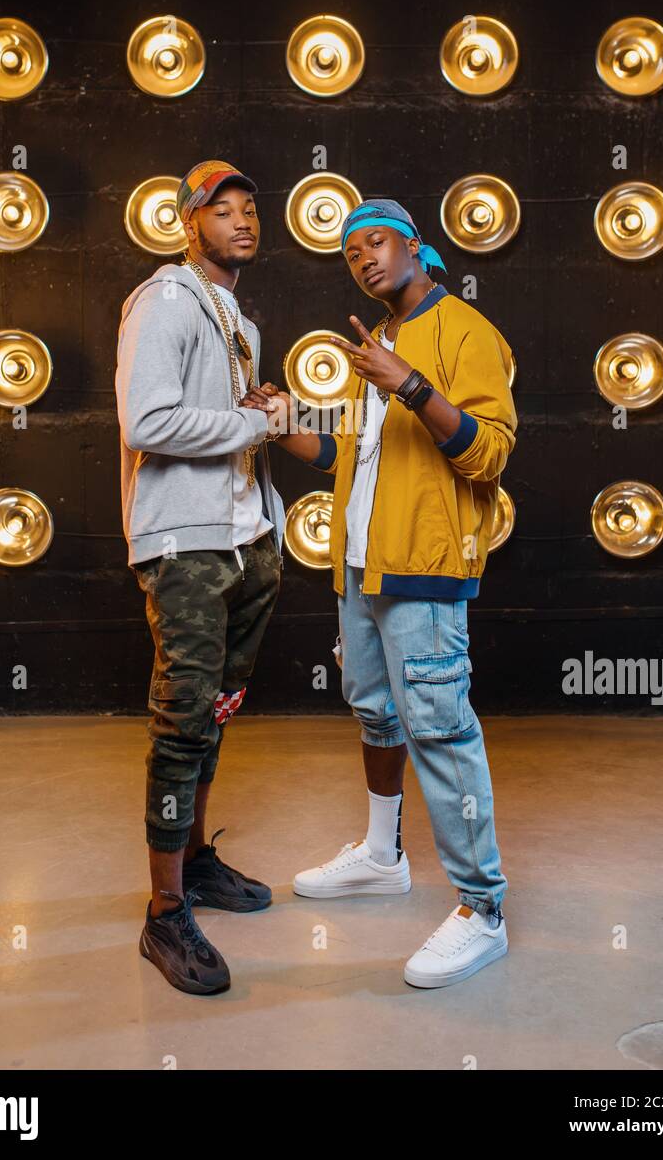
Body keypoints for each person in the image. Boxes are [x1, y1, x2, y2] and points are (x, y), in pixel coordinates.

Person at [245, 197, 517, 989]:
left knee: (439, 727)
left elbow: (489, 454)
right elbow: (356, 456)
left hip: (424, 566)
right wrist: (281, 424)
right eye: (349, 252)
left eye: (375, 243)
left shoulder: (466, 332)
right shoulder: (381, 341)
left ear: (415, 249)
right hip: (362, 567)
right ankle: (381, 855)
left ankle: (482, 910)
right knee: (375, 709)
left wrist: (411, 385)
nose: (363, 258)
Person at [115, 159, 285, 996]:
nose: (243, 222)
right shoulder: (165, 301)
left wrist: (264, 413)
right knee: (183, 724)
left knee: (217, 713)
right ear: (191, 224)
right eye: (223, 211)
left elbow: (229, 423)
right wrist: (247, 420)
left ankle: (194, 860)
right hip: (184, 543)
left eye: (251, 210)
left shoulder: (239, 323)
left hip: (245, 538)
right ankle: (163, 911)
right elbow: (146, 420)